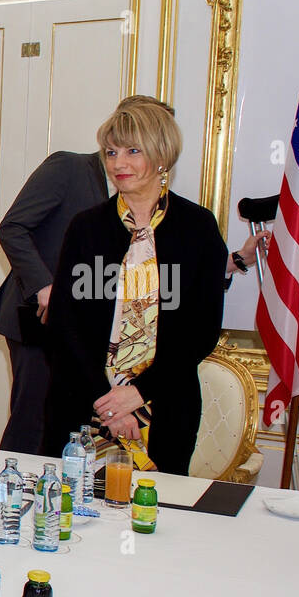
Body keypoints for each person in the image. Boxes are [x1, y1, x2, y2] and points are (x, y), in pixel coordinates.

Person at [43, 95, 226, 475]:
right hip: (84, 406)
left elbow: (200, 330)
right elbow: (65, 324)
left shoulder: (198, 228)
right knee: (77, 520)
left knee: (154, 519)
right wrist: (108, 403)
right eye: (110, 152)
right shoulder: (86, 227)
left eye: (132, 150)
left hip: (165, 407)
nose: (118, 163)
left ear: (162, 156)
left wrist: (137, 395)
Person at [0, 150, 109, 454]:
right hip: (37, 319)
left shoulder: (136, 193)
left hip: (83, 329)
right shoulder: (69, 166)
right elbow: (12, 228)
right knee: (32, 426)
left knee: (69, 429)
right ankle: (13, 496)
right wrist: (44, 285)